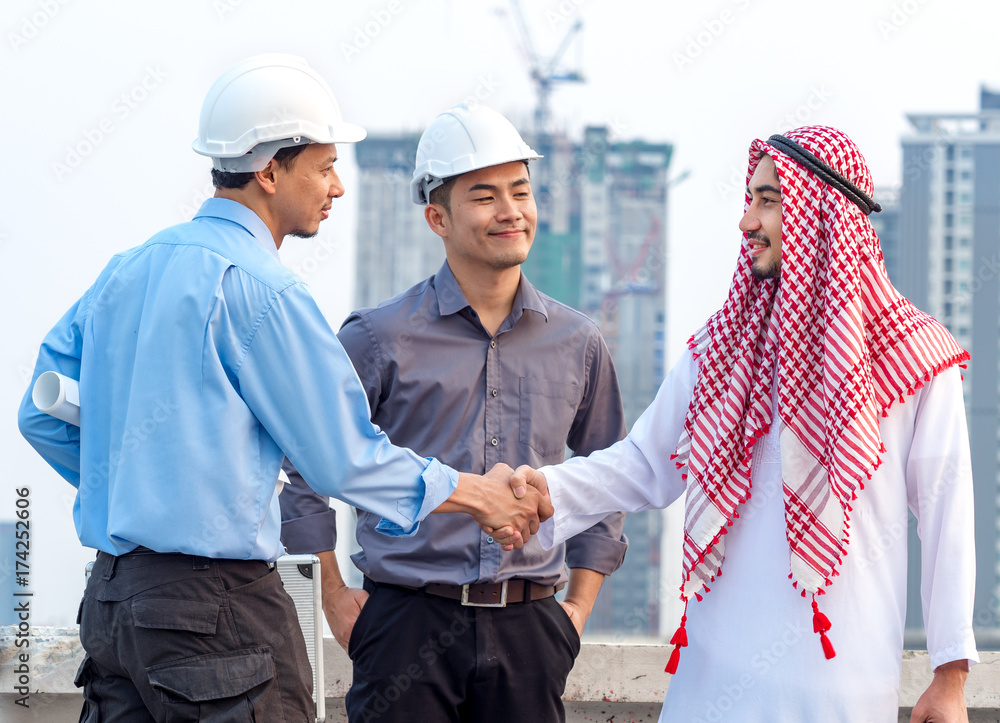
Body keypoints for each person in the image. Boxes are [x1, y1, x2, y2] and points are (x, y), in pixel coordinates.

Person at [16, 56, 549, 722]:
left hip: (114, 607)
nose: (337, 187)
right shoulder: (264, 292)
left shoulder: (127, 271)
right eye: (324, 167)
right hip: (216, 614)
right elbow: (343, 458)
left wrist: (138, 488)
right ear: (270, 171)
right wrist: (476, 495)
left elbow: (39, 417)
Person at [511, 126, 979, 722]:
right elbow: (646, 463)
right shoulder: (723, 350)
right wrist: (543, 490)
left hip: (842, 689)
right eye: (748, 199)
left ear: (825, 214)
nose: (746, 221)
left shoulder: (913, 360)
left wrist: (950, 673)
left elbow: (945, 516)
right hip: (711, 689)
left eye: (768, 200)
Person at [278, 103, 629, 722]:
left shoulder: (578, 342)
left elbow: (608, 474)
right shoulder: (377, 337)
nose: (510, 211)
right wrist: (333, 596)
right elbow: (305, 469)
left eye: (521, 192)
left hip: (532, 629)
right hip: (405, 624)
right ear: (437, 217)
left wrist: (576, 611)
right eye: (485, 196)